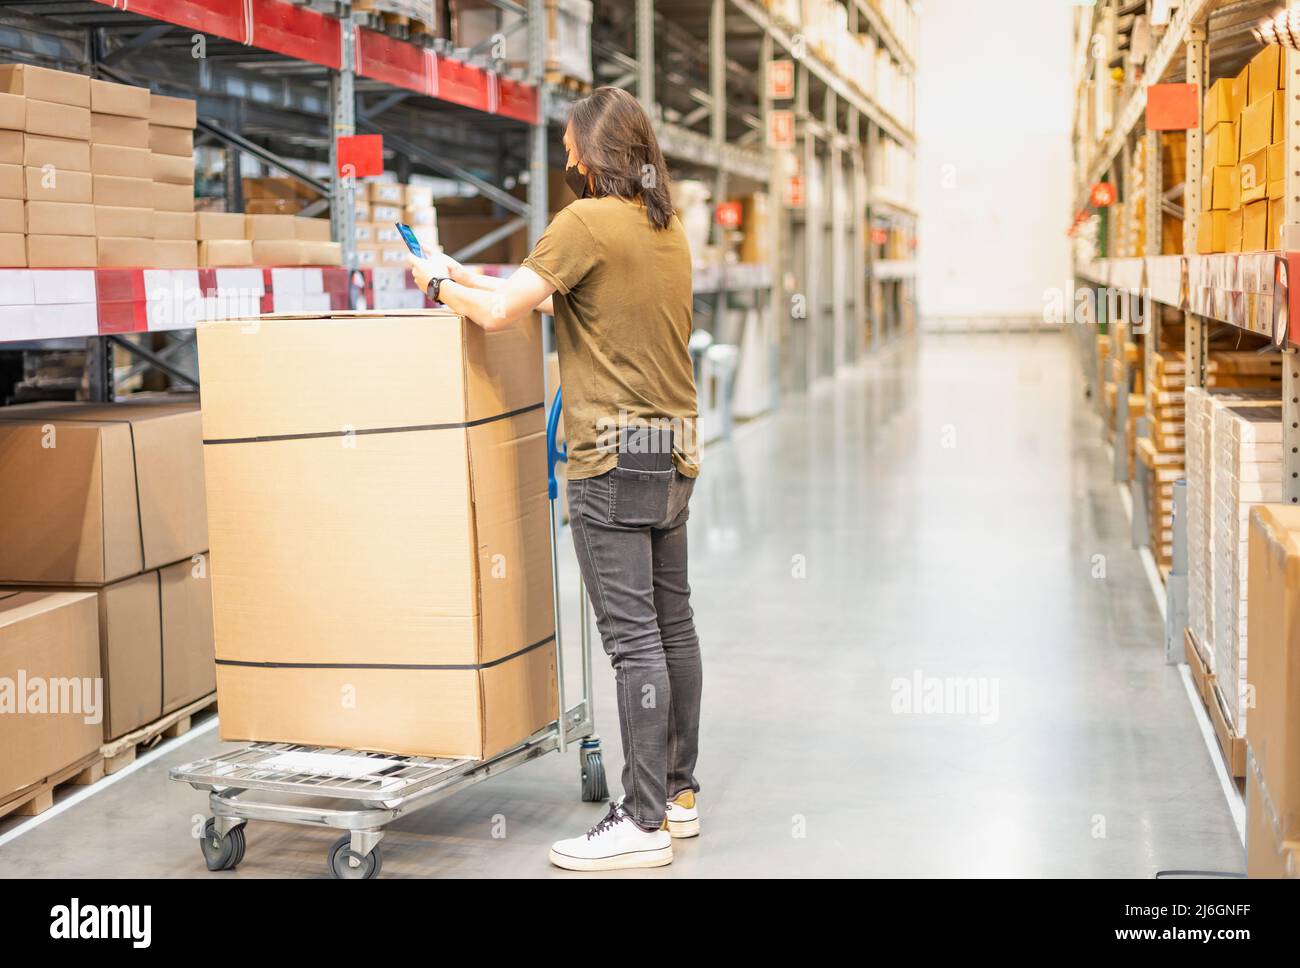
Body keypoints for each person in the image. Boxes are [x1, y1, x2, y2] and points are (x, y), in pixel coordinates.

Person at [409, 86, 702, 872]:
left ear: (594, 150)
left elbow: (505, 312)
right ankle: (676, 797)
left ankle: (639, 824)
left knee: (632, 642)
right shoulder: (663, 226)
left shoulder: (583, 222)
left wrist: (437, 287)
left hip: (611, 458)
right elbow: (556, 295)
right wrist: (460, 272)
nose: (565, 158)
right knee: (672, 627)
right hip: (671, 452)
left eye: (572, 146)